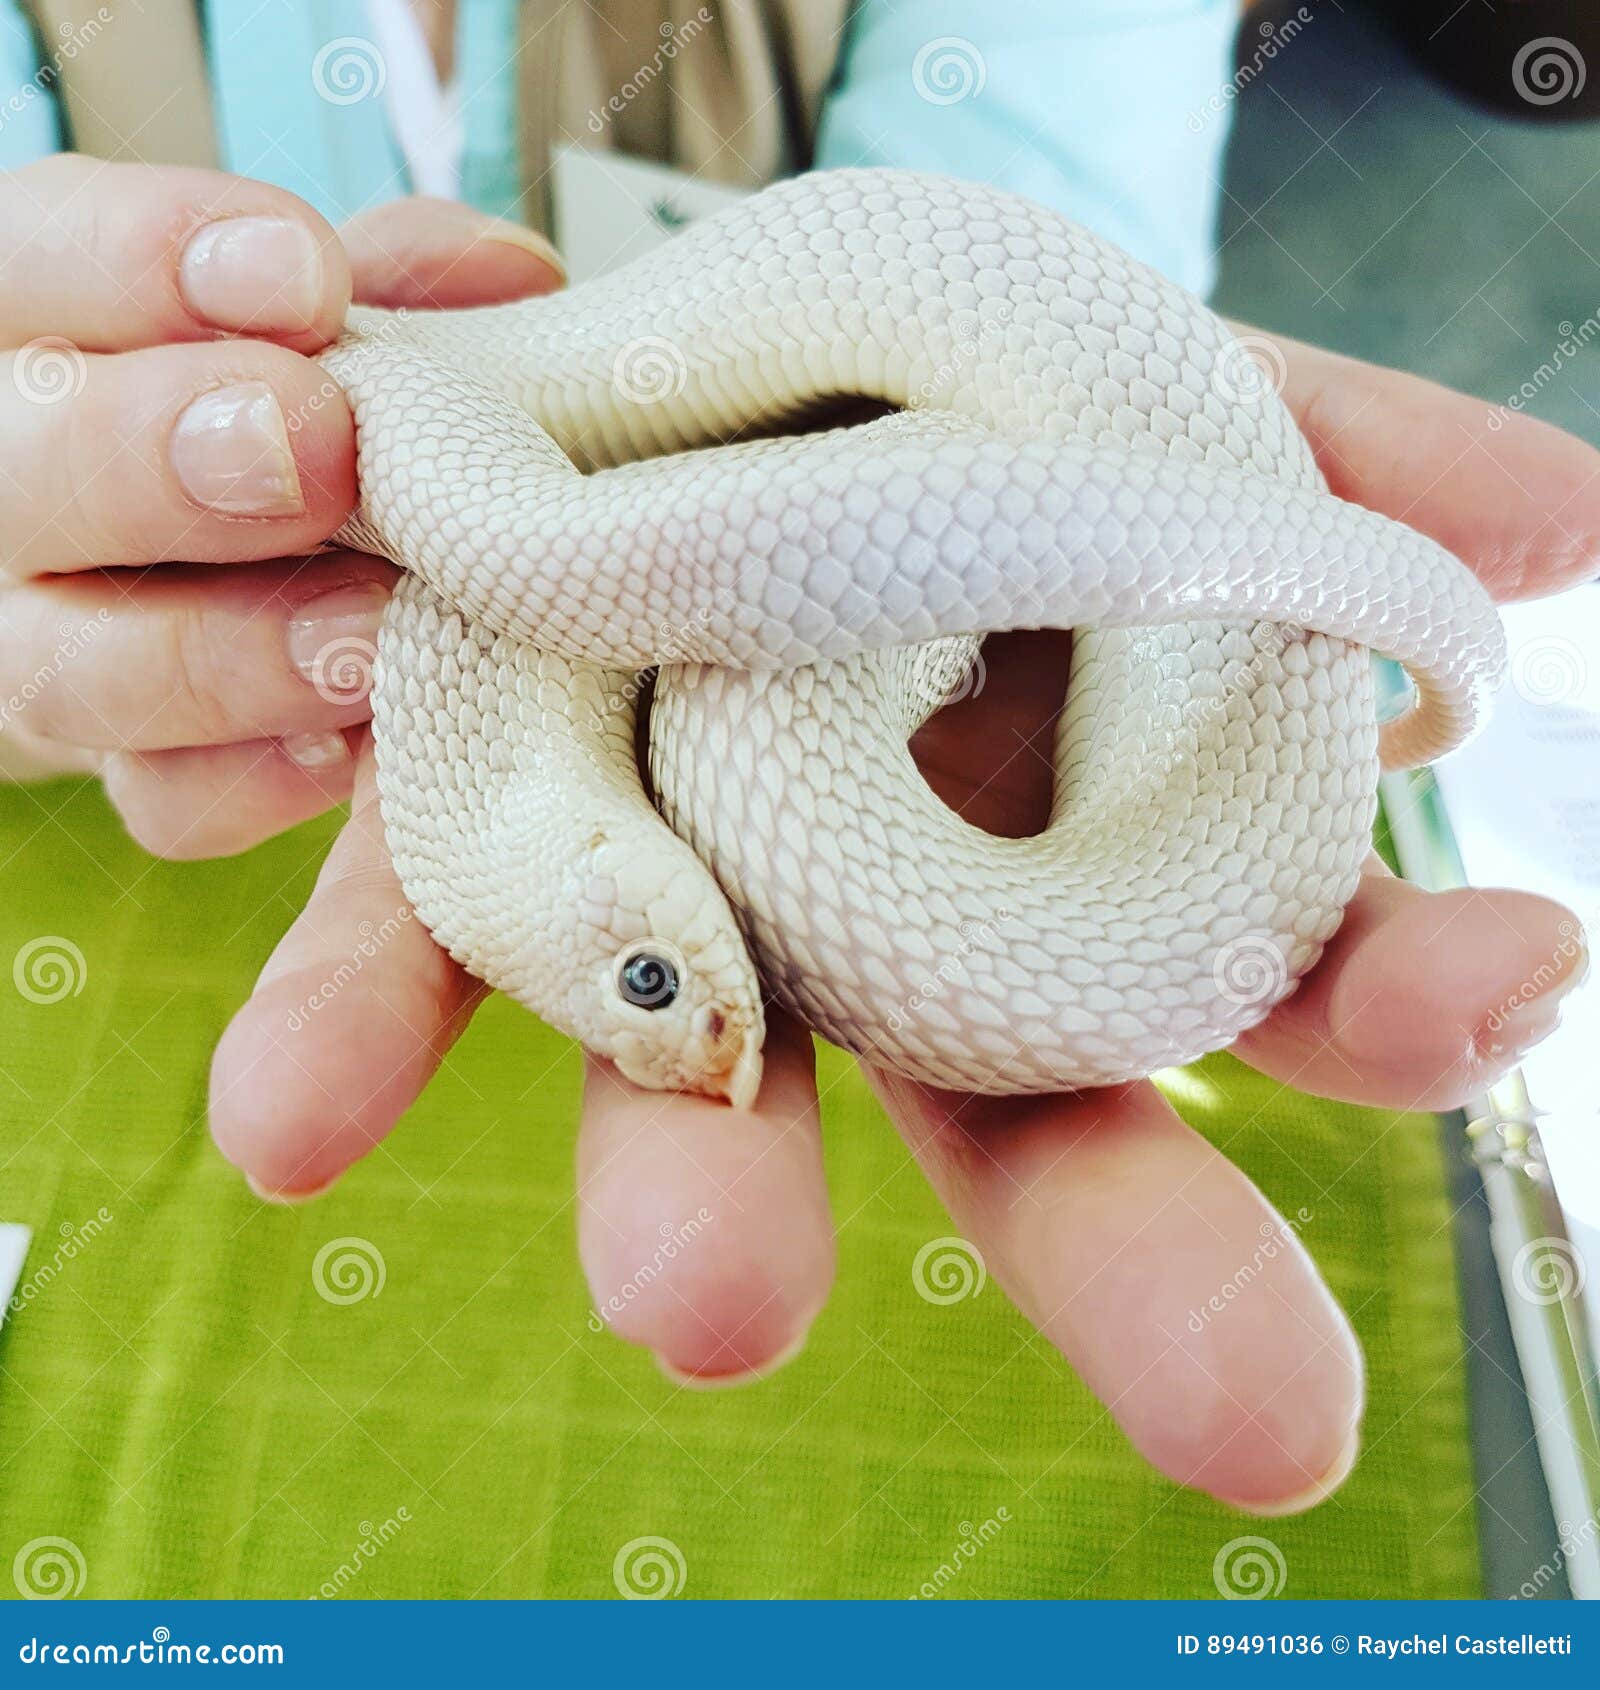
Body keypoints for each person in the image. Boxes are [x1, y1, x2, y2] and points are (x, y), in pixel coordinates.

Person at [0, 0, 1589, 1522]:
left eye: (645, 982)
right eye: (651, 986)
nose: (707, 1025)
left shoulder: (534, 602)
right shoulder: (502, 688)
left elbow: (1030, 224)